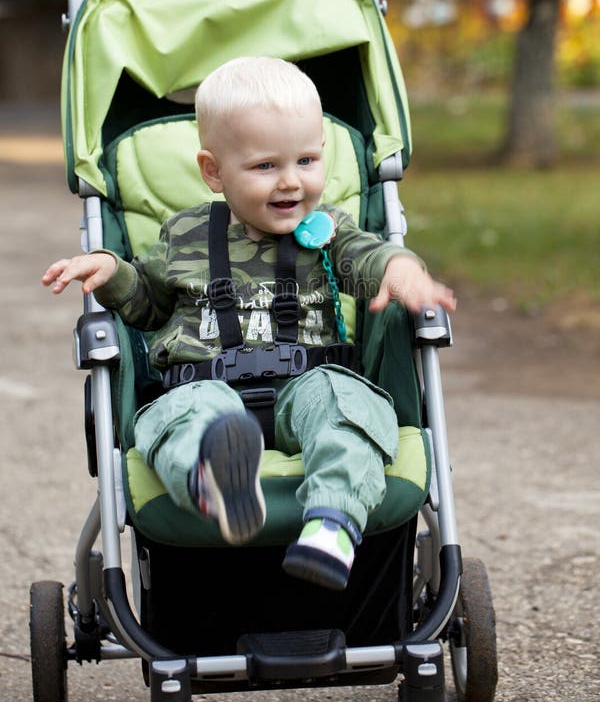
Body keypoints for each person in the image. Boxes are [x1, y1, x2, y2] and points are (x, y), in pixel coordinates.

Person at [43, 56, 456, 592]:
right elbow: (149, 306)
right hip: (203, 386)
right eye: (265, 167)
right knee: (178, 416)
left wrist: (403, 271)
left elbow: (371, 259)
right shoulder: (184, 234)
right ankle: (212, 480)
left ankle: (332, 524)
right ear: (213, 171)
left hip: (306, 385)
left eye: (306, 160)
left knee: (348, 406)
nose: (291, 182)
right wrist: (112, 273)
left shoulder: (329, 231)